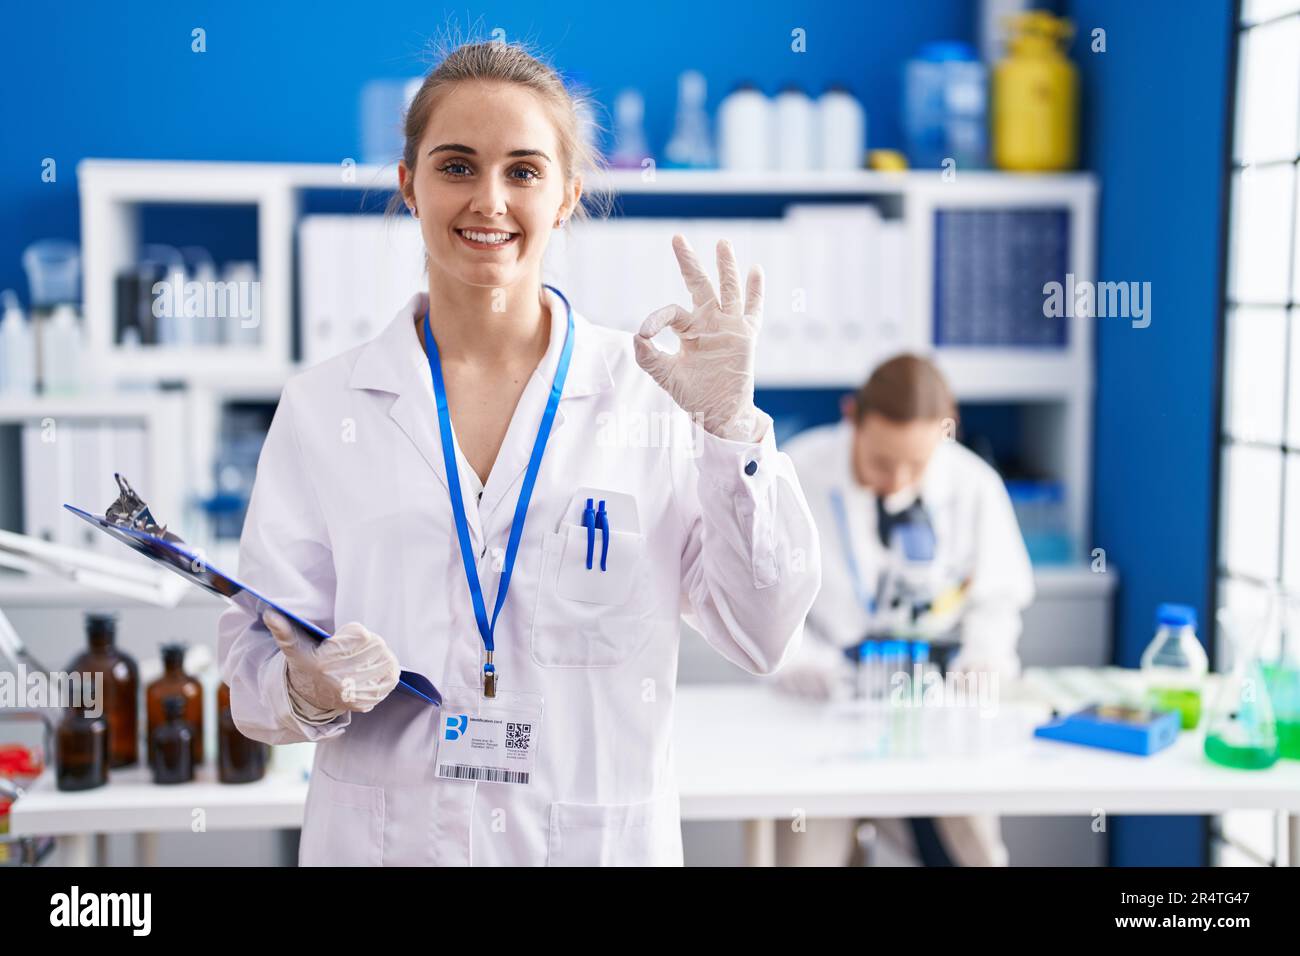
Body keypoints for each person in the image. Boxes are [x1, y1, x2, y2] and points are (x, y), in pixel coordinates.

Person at [216, 40, 821, 867]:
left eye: (524, 171)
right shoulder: (326, 410)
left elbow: (764, 632)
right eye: (456, 166)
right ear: (409, 182)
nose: (489, 200)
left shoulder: (654, 396)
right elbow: (256, 660)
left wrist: (734, 431)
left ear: (568, 194)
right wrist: (304, 690)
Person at [773, 354, 1033, 867]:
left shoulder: (973, 485)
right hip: (827, 700)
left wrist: (982, 660)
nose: (896, 480)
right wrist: (805, 663)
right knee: (810, 852)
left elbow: (998, 600)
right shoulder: (796, 470)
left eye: (915, 465)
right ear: (853, 417)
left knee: (971, 849)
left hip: (936, 706)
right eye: (880, 462)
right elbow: (768, 600)